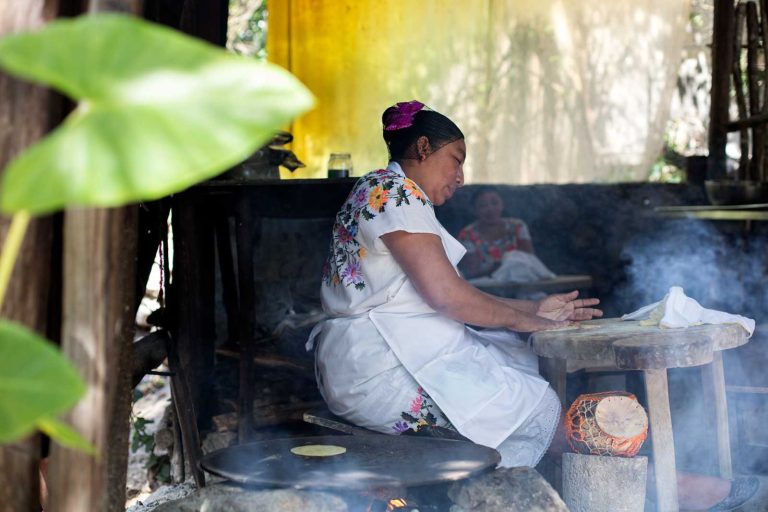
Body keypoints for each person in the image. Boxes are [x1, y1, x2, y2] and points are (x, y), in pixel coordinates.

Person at [308, 100, 601, 468]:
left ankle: (505, 484)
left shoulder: (385, 190)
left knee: (513, 357)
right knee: (532, 405)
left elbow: (446, 292)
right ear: (423, 147)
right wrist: (527, 321)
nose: (460, 177)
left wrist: (534, 309)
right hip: (379, 369)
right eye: (456, 160)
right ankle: (519, 487)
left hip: (367, 359)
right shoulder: (394, 193)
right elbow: (447, 296)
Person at [457, 186, 536, 279]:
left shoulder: (518, 226)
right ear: (475, 210)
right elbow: (472, 273)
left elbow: (530, 261)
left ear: (502, 205)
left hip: (521, 281)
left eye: (495, 203)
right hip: (485, 284)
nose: (490, 209)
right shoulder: (466, 235)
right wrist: (496, 268)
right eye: (483, 205)